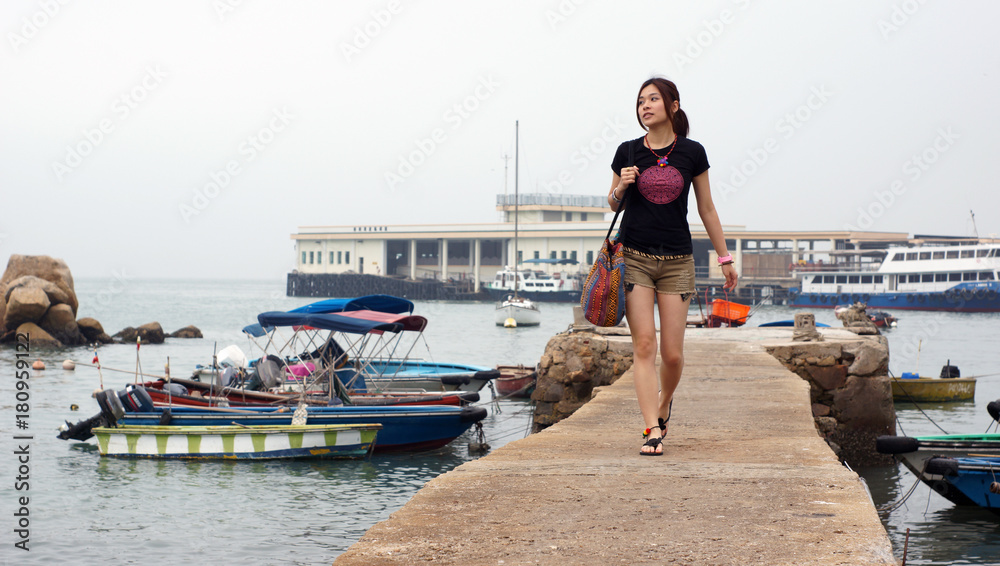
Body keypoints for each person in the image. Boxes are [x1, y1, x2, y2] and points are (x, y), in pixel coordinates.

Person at [607, 77, 738, 456]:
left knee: (673, 354)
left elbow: (706, 208)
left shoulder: (692, 152)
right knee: (644, 345)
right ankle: (652, 428)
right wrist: (621, 187)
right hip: (635, 257)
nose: (645, 106)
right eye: (640, 101)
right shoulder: (628, 150)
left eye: (653, 99)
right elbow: (612, 203)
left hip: (678, 261)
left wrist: (725, 257)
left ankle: (664, 403)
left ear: (673, 106)